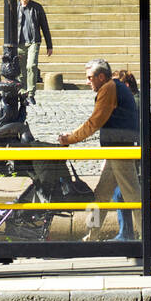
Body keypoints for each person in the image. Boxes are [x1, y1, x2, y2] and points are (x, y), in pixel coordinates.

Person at [58, 59, 142, 240]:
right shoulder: (115, 86)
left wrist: (70, 138)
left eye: (90, 78)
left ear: (101, 76)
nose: (87, 82)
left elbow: (94, 122)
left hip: (119, 151)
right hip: (116, 151)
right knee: (101, 196)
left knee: (134, 197)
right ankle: (91, 236)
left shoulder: (108, 88)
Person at [110, 70, 151, 243]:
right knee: (130, 195)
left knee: (129, 195)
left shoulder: (133, 103)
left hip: (137, 159)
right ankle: (139, 234)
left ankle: (133, 234)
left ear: (126, 86)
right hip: (138, 158)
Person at [16, 0, 52, 105]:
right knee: (20, 70)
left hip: (33, 42)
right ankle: (22, 93)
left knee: (31, 65)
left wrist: (49, 45)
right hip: (19, 43)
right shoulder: (14, 7)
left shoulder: (37, 8)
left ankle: (31, 94)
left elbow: (44, 26)